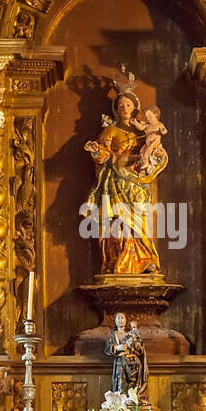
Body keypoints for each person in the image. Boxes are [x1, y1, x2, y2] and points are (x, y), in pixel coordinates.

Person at [85, 87, 167, 277]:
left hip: (137, 184)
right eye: (120, 105)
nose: (124, 108)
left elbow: (155, 152)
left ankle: (145, 259)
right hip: (115, 183)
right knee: (118, 223)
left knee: (139, 221)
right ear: (116, 109)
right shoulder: (110, 131)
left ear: (135, 107)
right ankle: (118, 259)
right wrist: (96, 151)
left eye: (128, 104)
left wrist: (159, 153)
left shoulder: (145, 130)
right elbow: (103, 155)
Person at [105, 311, 147, 395]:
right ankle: (122, 399)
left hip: (133, 361)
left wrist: (135, 344)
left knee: (133, 382)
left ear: (126, 320)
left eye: (122, 318)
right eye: (118, 318)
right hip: (120, 361)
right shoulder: (114, 335)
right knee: (122, 381)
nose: (120, 320)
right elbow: (108, 349)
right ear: (115, 321)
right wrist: (117, 347)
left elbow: (139, 348)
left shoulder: (130, 334)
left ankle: (132, 398)